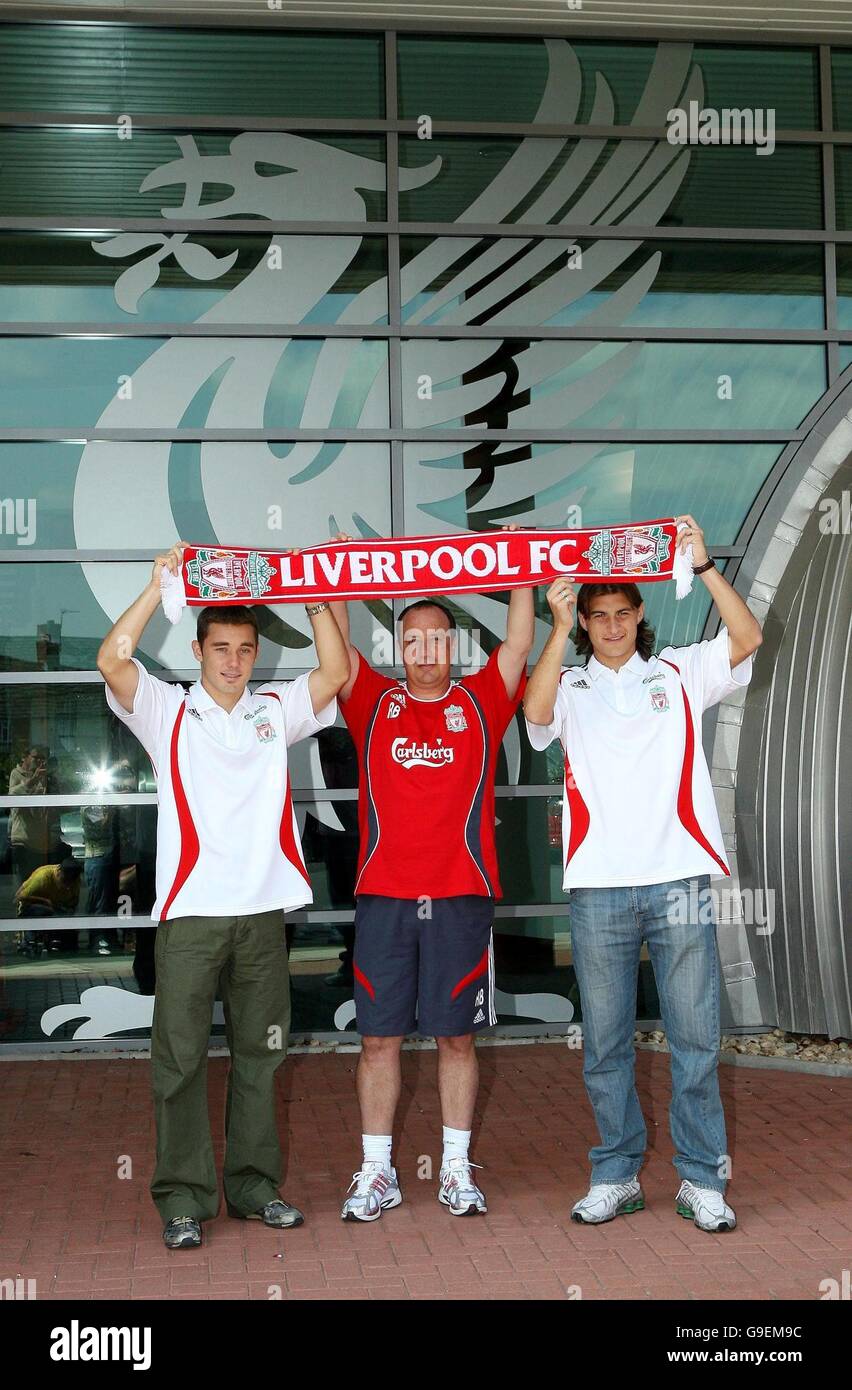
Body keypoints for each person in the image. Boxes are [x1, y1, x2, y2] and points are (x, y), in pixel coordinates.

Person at [97, 541, 349, 1250]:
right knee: (178, 1061)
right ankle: (182, 1199)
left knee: (262, 1057)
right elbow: (113, 660)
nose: (234, 660)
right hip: (191, 920)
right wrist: (155, 586)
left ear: (255, 652)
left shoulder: (276, 709)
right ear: (200, 650)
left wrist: (318, 594)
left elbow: (336, 671)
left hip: (262, 920)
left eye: (244, 647)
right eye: (221, 648)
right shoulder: (167, 712)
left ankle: (254, 1187)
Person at [523, 514, 763, 1234]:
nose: (612, 627)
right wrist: (556, 627)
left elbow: (748, 638)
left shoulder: (682, 673)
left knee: (694, 1038)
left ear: (639, 617)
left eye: (622, 615)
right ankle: (616, 1175)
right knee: (605, 1042)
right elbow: (532, 714)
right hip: (599, 886)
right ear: (588, 623)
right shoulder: (568, 683)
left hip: (680, 878)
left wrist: (706, 563)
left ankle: (700, 1179)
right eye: (598, 617)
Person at [330, 551, 534, 1221]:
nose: (424, 649)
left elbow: (523, 639)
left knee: (456, 1039)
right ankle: (377, 1169)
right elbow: (333, 641)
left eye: (436, 637)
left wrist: (524, 566)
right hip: (384, 899)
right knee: (378, 1041)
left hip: (460, 898)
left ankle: (453, 1169)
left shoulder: (480, 702)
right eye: (411, 638)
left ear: (454, 644)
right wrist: (332, 574)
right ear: (399, 646)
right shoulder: (372, 702)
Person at [15, 857, 82, 955]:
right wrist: (45, 901)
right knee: (45, 911)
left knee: (66, 918)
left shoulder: (75, 881)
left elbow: (73, 903)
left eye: (70, 882)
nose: (67, 886)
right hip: (31, 904)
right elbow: (19, 897)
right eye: (64, 880)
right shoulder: (43, 876)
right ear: (59, 872)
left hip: (56, 906)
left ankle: (57, 943)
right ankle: (28, 942)